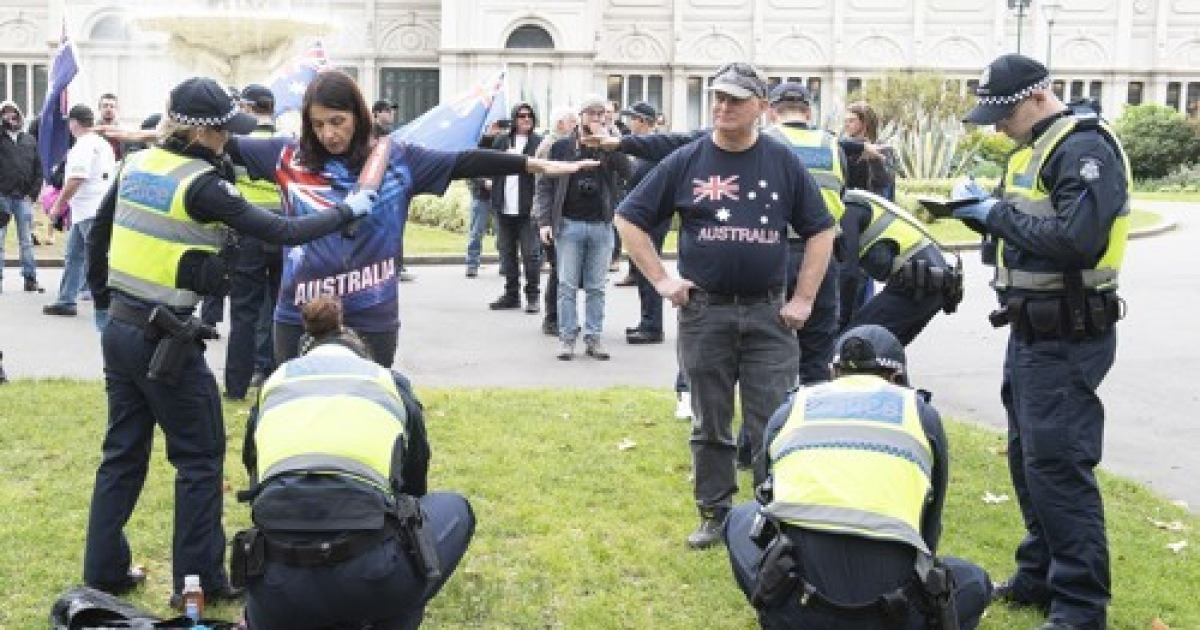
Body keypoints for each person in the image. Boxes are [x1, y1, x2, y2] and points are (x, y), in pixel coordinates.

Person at [82, 76, 374, 608]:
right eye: (223, 135)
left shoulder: (136, 164)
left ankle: (103, 570)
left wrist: (105, 305)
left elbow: (99, 238)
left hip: (121, 330)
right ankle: (200, 581)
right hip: (162, 339)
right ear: (202, 134)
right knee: (199, 458)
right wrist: (348, 211)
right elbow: (280, 231)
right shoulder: (201, 184)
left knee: (121, 453)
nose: (228, 143)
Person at [222, 70, 595, 367]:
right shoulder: (286, 156)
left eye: (337, 121)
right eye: (318, 124)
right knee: (299, 412)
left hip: (372, 313)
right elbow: (223, 145)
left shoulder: (397, 159)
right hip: (299, 313)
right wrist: (169, 133)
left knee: (371, 419)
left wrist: (536, 164)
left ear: (359, 115)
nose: (328, 134)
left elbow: (464, 161)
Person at [614, 62, 836, 548]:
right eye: (717, 97)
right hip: (705, 314)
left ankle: (770, 515)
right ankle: (714, 514)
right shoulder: (688, 160)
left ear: (762, 107)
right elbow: (629, 218)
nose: (722, 107)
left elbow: (821, 229)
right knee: (710, 423)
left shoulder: (780, 161)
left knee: (770, 423)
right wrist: (663, 279)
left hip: (769, 316)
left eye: (735, 100)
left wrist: (803, 299)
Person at [951, 53, 1130, 630]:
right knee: (1031, 462)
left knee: (1058, 465)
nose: (996, 124)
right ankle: (1039, 576)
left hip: (1069, 332)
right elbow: (1033, 229)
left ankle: (1080, 606)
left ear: (1038, 96)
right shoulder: (1038, 148)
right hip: (1033, 330)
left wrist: (993, 214)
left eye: (1002, 113)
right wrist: (984, 215)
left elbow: (1077, 240)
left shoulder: (1084, 148)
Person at [723, 325, 992, 629]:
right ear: (897, 379)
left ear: (833, 372)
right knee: (975, 581)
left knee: (740, 517)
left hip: (798, 609)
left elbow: (766, 504)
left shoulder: (791, 410)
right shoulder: (920, 415)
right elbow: (929, 533)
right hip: (892, 615)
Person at [235, 295, 474, 629]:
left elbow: (254, 474)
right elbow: (415, 483)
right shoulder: (389, 383)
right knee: (455, 509)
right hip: (373, 577)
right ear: (362, 351)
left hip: (279, 588)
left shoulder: (274, 385)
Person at [534, 94, 632, 361]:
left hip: (601, 225)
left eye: (602, 114)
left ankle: (594, 338)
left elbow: (628, 172)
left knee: (596, 286)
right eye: (592, 113)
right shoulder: (562, 147)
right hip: (569, 224)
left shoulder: (612, 145)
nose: (598, 118)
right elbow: (545, 185)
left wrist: (609, 145)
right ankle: (567, 339)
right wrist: (544, 221)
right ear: (581, 116)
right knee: (566, 285)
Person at [762, 81, 844, 385]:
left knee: (769, 341)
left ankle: (773, 414)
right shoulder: (832, 144)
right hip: (823, 254)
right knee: (819, 345)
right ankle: (814, 410)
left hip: (775, 250)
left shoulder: (765, 141)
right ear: (809, 111)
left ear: (772, 112)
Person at [224, 84, 286, 400]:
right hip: (284, 229)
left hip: (248, 230)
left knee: (244, 311)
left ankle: (236, 385)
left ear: (247, 109)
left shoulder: (240, 145)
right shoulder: (287, 145)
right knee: (280, 307)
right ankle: (275, 374)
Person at [839, 188, 962, 345]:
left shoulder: (848, 208)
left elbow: (848, 273)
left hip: (916, 284)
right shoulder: (858, 200)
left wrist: (841, 321)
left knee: (851, 344)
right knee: (881, 357)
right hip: (932, 284)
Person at [42, 105, 116, 317]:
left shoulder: (83, 146)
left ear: (74, 122)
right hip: (92, 209)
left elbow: (77, 178)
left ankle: (108, 304)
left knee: (97, 259)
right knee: (74, 255)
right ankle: (66, 300)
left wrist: (58, 205)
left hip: (89, 208)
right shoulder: (102, 144)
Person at [615, 101, 668, 345]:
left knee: (649, 273)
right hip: (642, 219)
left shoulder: (656, 152)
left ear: (643, 121)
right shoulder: (642, 150)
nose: (629, 124)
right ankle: (646, 322)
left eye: (632, 119)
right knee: (641, 274)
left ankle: (652, 326)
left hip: (652, 220)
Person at [486, 102, 544, 313]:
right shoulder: (502, 140)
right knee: (507, 253)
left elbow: (544, 173)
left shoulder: (539, 143)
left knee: (531, 254)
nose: (526, 119)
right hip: (504, 206)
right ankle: (511, 294)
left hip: (528, 208)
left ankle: (533, 296)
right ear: (514, 118)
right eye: (521, 115)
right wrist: (488, 180)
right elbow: (488, 163)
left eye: (529, 115)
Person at [534, 106, 579, 336]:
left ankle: (562, 316)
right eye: (572, 122)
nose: (576, 126)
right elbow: (544, 183)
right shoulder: (553, 145)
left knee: (565, 271)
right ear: (561, 124)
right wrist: (545, 220)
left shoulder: (572, 146)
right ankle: (552, 317)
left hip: (561, 216)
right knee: (558, 270)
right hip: (551, 216)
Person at [0, 99, 44, 293]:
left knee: (26, 241)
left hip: (23, 198)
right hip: (2, 197)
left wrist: (33, 194)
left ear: (19, 115)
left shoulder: (29, 140)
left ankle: (30, 278)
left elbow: (38, 169)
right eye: (5, 113)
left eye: (13, 113)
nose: (10, 116)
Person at [98, 93, 124, 160]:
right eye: (105, 106)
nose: (108, 109)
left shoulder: (124, 131)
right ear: (99, 108)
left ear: (117, 109)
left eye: (112, 106)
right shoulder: (92, 133)